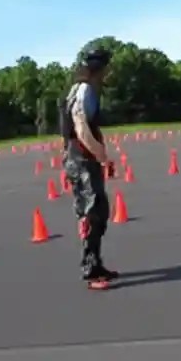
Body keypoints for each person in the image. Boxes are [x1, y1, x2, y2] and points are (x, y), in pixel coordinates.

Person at [61, 47, 117, 289]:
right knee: (92, 211)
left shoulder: (84, 89)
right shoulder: (84, 91)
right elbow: (81, 128)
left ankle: (95, 261)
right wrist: (102, 156)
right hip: (81, 158)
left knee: (98, 210)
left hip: (83, 156)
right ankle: (90, 268)